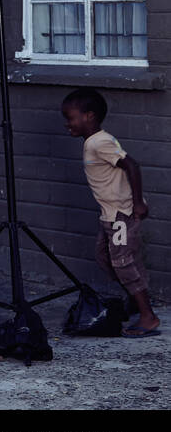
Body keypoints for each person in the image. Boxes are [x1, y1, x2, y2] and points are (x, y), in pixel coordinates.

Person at [61, 88, 159, 339]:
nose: (67, 123)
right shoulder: (93, 141)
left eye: (70, 118)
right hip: (109, 214)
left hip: (120, 215)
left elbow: (131, 165)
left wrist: (138, 203)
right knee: (104, 257)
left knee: (123, 263)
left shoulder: (100, 142)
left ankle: (147, 316)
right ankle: (135, 300)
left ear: (89, 116)